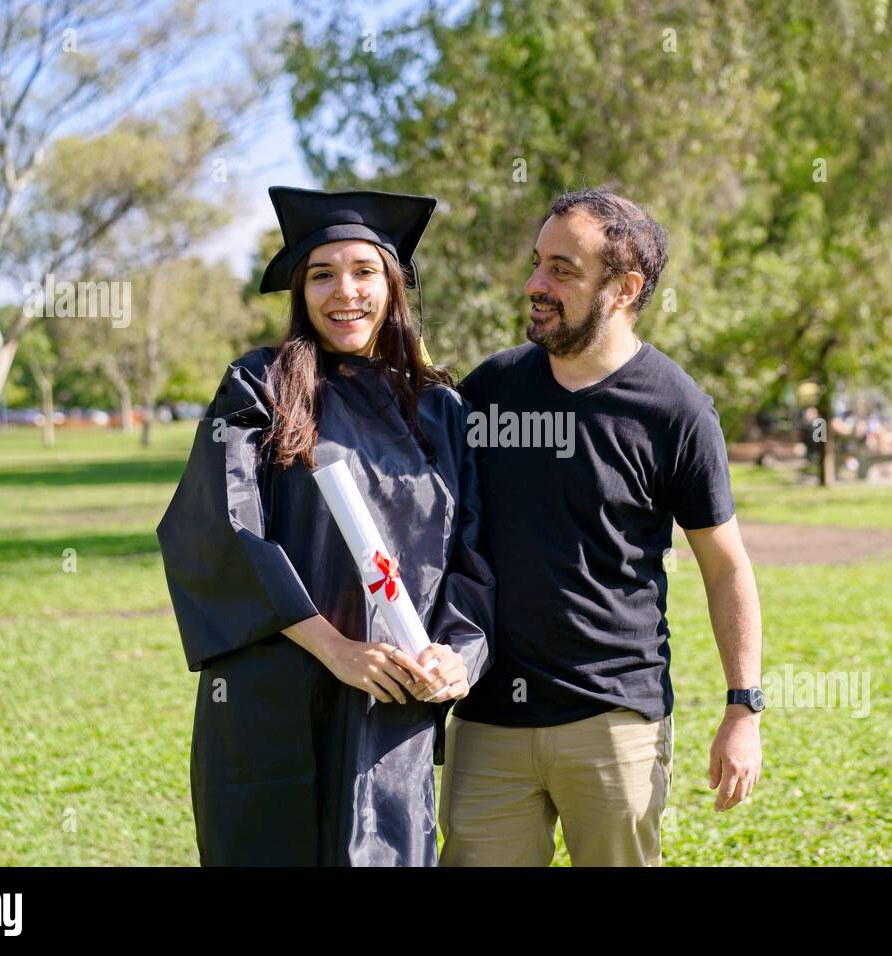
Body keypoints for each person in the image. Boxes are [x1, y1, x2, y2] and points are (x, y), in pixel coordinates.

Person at [156, 187, 494, 866]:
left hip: (392, 704)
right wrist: (336, 648)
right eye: (322, 274)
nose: (346, 292)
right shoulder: (260, 387)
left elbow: (474, 557)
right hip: (274, 698)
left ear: (393, 285)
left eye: (365, 271)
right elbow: (223, 528)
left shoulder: (443, 411)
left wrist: (458, 655)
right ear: (300, 291)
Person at [439, 187, 764, 867]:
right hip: (490, 717)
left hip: (615, 719)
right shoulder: (488, 391)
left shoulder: (676, 411)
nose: (534, 285)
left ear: (624, 288)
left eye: (563, 270)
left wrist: (743, 708)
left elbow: (726, 566)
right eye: (537, 263)